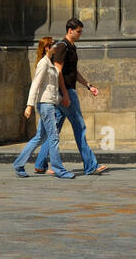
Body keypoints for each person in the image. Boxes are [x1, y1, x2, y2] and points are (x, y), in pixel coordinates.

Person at [34, 18, 106, 176]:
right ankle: (90, 166)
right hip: (65, 93)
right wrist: (65, 94)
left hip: (66, 92)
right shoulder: (62, 46)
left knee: (54, 129)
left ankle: (40, 164)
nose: (80, 34)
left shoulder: (72, 47)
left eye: (81, 31)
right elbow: (58, 72)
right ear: (70, 30)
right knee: (80, 127)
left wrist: (88, 85)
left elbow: (74, 72)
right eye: (78, 31)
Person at [12, 37, 74, 179]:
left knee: (40, 137)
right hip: (45, 106)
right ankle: (59, 170)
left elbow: (49, 88)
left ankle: (18, 164)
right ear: (47, 47)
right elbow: (35, 85)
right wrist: (29, 105)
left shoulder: (49, 63)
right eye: (53, 44)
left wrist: (61, 99)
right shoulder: (43, 64)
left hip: (49, 103)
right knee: (53, 137)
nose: (56, 46)